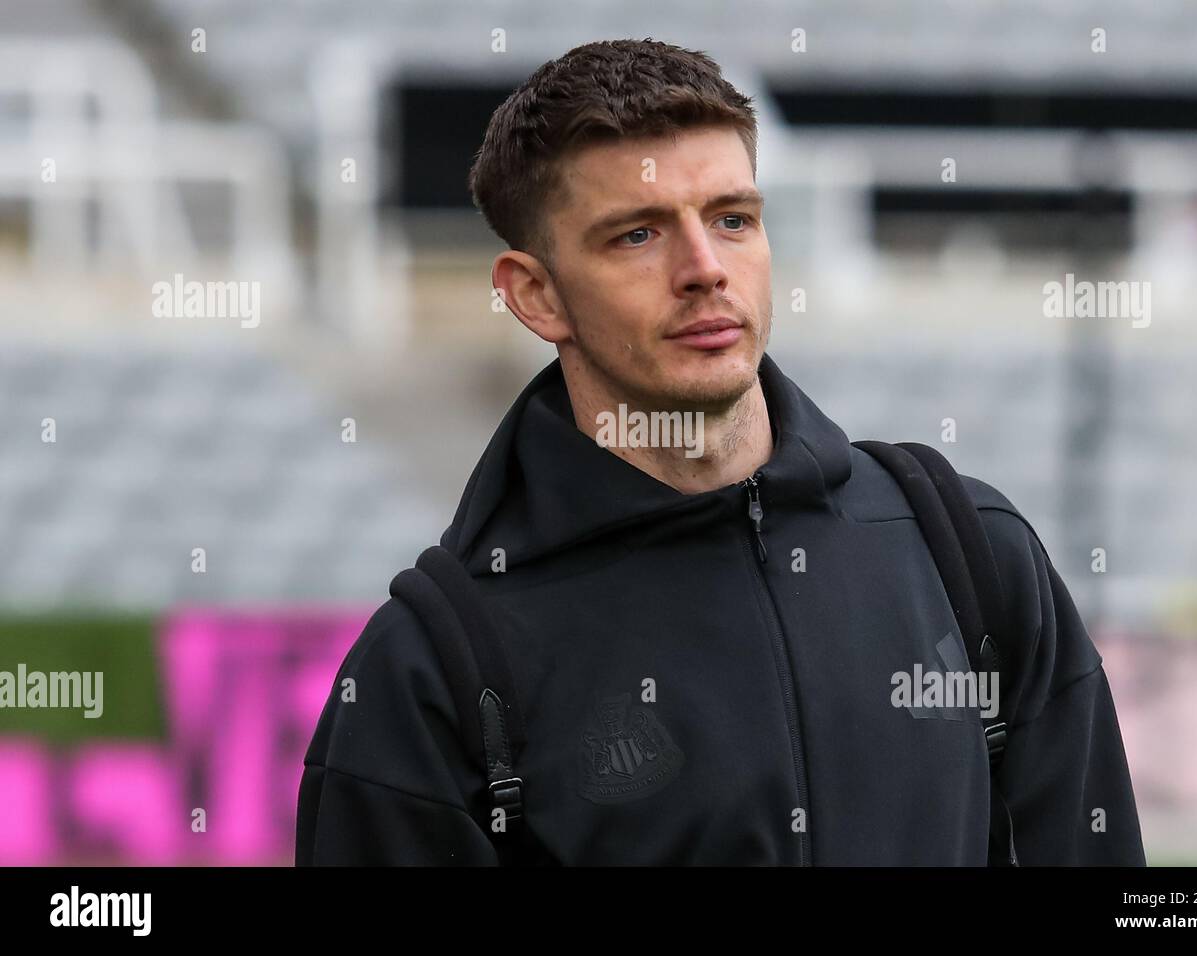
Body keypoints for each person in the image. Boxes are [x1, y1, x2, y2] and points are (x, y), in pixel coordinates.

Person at [295, 38, 1145, 866]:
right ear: (536, 293)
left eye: (733, 219)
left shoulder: (970, 555)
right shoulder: (431, 671)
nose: (705, 268)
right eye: (637, 235)